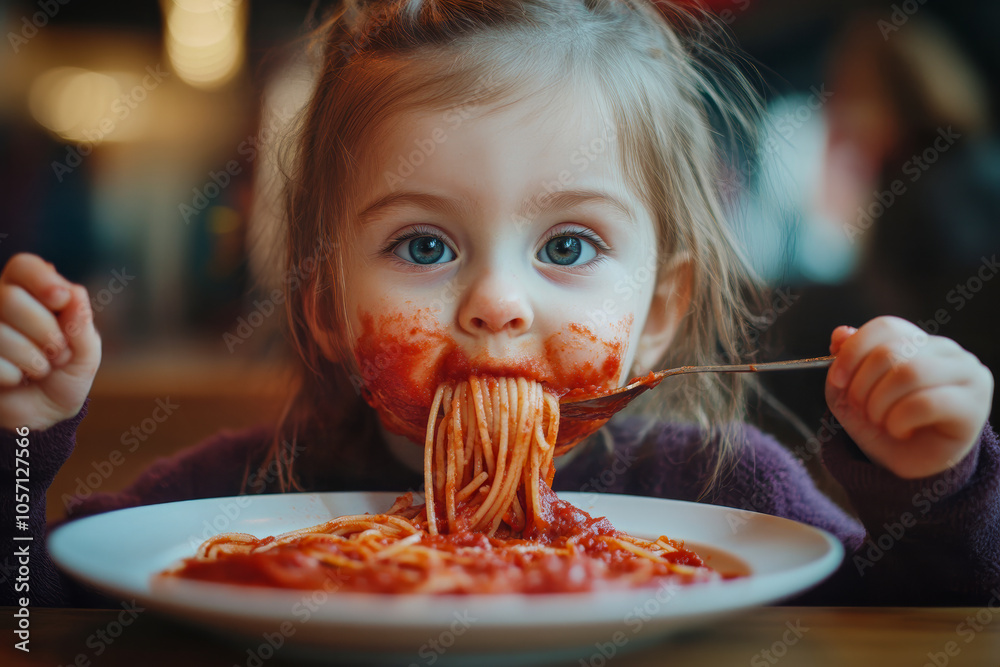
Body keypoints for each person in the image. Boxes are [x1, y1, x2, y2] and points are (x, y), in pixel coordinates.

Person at [1, 0, 995, 609]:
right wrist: (17, 448)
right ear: (323, 306)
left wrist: (931, 480)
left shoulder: (730, 499)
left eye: (568, 245)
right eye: (423, 245)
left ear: (661, 305)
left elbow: (924, 613)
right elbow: (28, 610)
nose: (496, 302)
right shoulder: (239, 506)